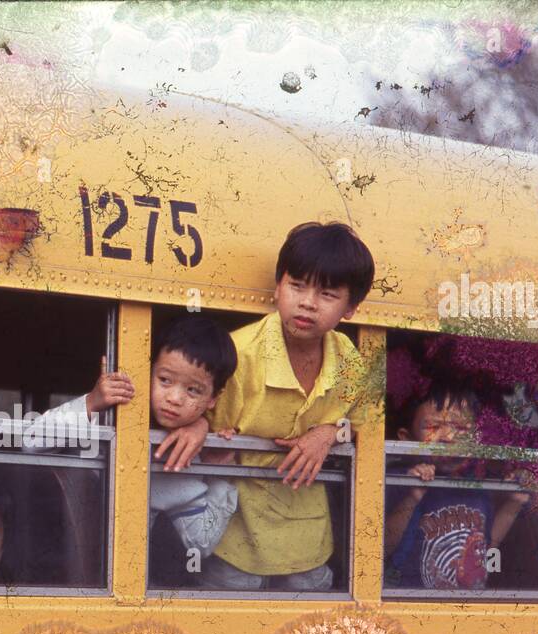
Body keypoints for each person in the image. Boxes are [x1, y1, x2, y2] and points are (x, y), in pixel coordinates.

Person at [160, 221, 376, 591]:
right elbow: (196, 415)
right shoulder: (240, 353)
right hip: (235, 535)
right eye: (297, 285)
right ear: (278, 286)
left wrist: (328, 433)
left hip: (308, 537)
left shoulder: (349, 358)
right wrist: (199, 426)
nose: (307, 302)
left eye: (327, 294)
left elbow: (366, 421)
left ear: (351, 307)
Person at [24, 316, 240, 566]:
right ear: (146, 371)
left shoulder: (187, 463)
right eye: (165, 380)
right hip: (54, 556)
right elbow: (30, 441)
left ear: (214, 397)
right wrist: (91, 402)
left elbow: (199, 543)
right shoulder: (109, 417)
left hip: (120, 572)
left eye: (193, 390)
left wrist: (218, 473)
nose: (175, 398)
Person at [385, 383, 530, 589]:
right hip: (411, 603)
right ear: (406, 439)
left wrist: (514, 502)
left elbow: (486, 550)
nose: (450, 437)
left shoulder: (478, 484)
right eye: (434, 427)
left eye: (461, 428)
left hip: (466, 604)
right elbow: (381, 550)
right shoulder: (398, 479)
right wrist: (414, 494)